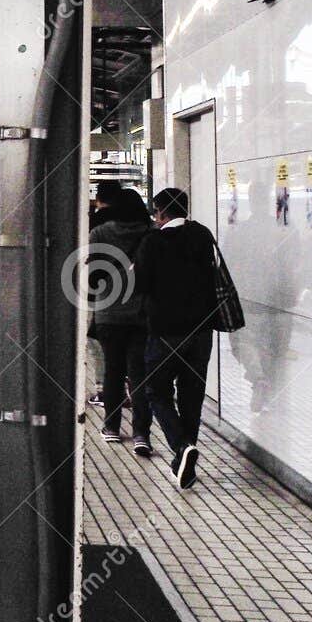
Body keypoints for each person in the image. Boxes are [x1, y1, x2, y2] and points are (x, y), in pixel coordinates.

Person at [132, 187, 218, 490]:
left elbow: (139, 284)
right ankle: (186, 466)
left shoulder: (152, 241)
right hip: (201, 332)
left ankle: (181, 448)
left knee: (158, 392)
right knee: (191, 397)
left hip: (165, 333)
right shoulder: (202, 236)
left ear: (160, 212)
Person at [89, 188, 153, 452]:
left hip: (109, 314)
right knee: (139, 375)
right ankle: (141, 433)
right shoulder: (152, 234)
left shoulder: (100, 234)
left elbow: (92, 278)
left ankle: (112, 426)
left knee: (112, 372)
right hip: (142, 315)